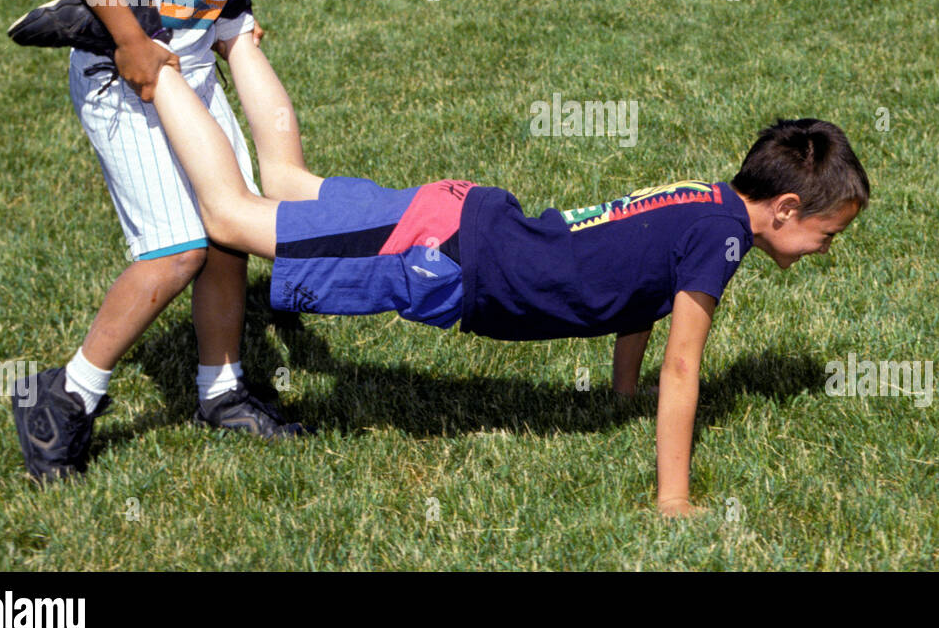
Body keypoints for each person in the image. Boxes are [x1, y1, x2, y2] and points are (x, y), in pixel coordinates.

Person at [148, 61, 869, 517]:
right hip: (449, 258)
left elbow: (641, 290)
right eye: (827, 234)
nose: (824, 250)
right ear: (785, 210)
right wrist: (673, 497)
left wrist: (622, 395)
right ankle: (158, 70)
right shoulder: (724, 237)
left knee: (288, 186)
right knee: (233, 216)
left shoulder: (703, 202)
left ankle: (235, 33)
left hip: (466, 220)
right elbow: (683, 365)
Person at [9, 0, 363, 484]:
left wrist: (227, 12)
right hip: (127, 75)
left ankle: (222, 391)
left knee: (228, 226)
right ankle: (63, 397)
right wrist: (131, 42)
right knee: (178, 251)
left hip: (190, 67)